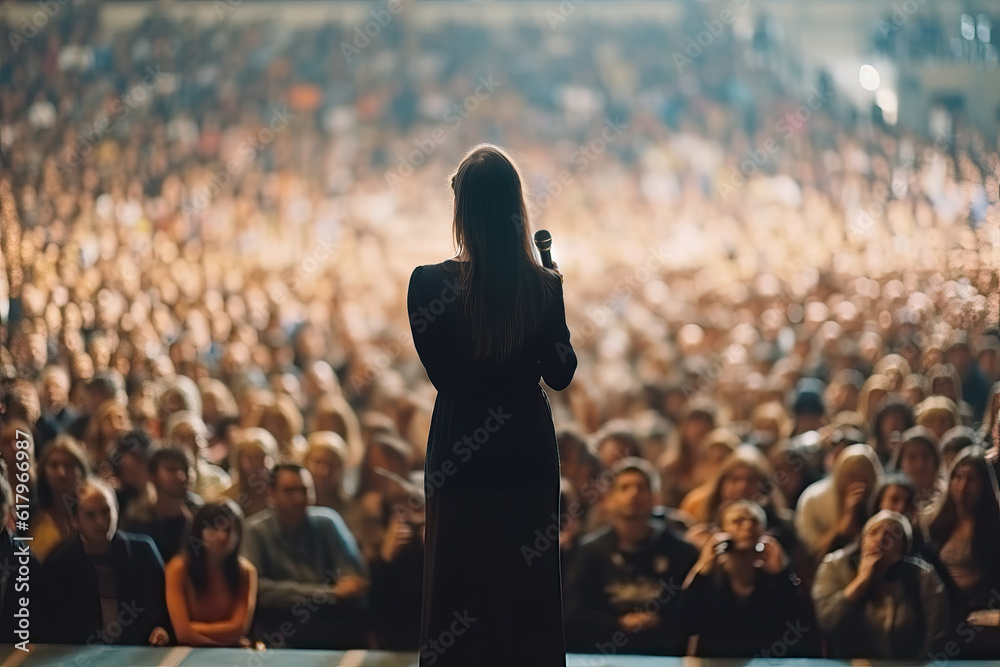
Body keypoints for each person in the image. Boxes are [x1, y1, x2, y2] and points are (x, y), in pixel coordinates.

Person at [407, 144, 576, 667]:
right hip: (525, 447)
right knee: (527, 586)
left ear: (461, 209)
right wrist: (553, 297)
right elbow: (561, 374)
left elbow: (443, 375)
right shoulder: (541, 285)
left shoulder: (427, 284)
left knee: (457, 579)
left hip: (461, 445)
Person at [564, 457, 698, 656]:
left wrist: (658, 619)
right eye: (624, 487)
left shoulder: (682, 551)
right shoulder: (590, 552)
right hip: (603, 655)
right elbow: (574, 611)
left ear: (655, 498)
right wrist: (617, 623)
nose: (633, 493)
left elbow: (694, 610)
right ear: (609, 499)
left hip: (663, 655)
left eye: (641, 487)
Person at [241, 463, 370, 649]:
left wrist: (290, 594)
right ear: (271, 494)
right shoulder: (255, 530)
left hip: (329, 625)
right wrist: (327, 593)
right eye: (289, 491)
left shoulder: (328, 522)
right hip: (278, 629)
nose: (300, 498)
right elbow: (256, 589)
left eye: (305, 490)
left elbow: (356, 581)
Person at [677, 500, 818, 657]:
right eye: (738, 521)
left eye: (754, 521)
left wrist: (783, 574)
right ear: (721, 532)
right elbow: (685, 623)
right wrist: (702, 568)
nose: (748, 526)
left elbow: (802, 625)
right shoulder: (711, 578)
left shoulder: (773, 577)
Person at [38, 479, 170, 645]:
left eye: (106, 511)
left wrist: (162, 630)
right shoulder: (60, 561)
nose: (100, 521)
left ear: (116, 511)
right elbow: (51, 624)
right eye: (90, 515)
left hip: (139, 651)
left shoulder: (143, 552)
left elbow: (163, 610)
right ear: (75, 520)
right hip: (79, 654)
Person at [812, 510, 950, 659]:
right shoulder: (834, 566)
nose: (881, 539)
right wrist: (861, 580)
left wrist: (919, 664)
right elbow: (827, 622)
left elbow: (937, 630)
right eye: (873, 533)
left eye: (891, 535)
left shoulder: (922, 576)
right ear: (862, 541)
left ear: (903, 548)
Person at [165, 502, 257, 646]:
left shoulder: (246, 571)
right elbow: (182, 633)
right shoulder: (178, 568)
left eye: (229, 530)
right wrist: (226, 644)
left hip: (232, 652)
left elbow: (239, 628)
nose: (222, 536)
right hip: (188, 651)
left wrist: (192, 628)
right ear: (198, 532)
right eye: (213, 529)